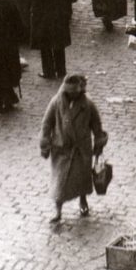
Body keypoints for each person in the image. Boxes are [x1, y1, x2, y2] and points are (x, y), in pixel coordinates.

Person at [39, 73, 107, 224]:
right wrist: (45, 144)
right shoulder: (56, 102)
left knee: (82, 178)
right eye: (69, 93)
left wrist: (98, 145)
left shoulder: (88, 105)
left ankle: (83, 201)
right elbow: (47, 123)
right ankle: (58, 210)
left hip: (81, 149)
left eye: (75, 93)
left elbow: (97, 126)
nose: (72, 96)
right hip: (61, 148)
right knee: (60, 182)